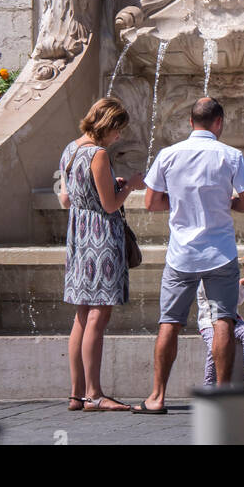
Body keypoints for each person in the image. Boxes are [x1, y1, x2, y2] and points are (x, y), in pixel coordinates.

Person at [133, 96, 244, 414]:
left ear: (191, 122)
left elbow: (151, 203)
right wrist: (224, 202)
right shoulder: (231, 156)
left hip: (181, 255)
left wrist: (179, 204)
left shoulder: (168, 155)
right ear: (219, 123)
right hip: (220, 253)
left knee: (169, 323)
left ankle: (157, 397)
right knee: (223, 322)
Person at [58, 97, 145, 412]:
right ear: (107, 126)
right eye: (117, 130)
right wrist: (132, 185)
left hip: (78, 236)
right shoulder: (98, 154)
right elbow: (110, 205)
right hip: (101, 239)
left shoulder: (71, 149)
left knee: (82, 314)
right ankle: (95, 394)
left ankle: (76, 393)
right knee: (99, 313)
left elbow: (67, 199)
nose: (118, 137)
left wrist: (109, 186)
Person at [197, 262, 244, 391]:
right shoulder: (204, 281)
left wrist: (241, 287)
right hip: (209, 323)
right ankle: (209, 384)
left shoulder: (228, 279)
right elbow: (215, 300)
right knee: (214, 348)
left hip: (233, 320)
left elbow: (237, 301)